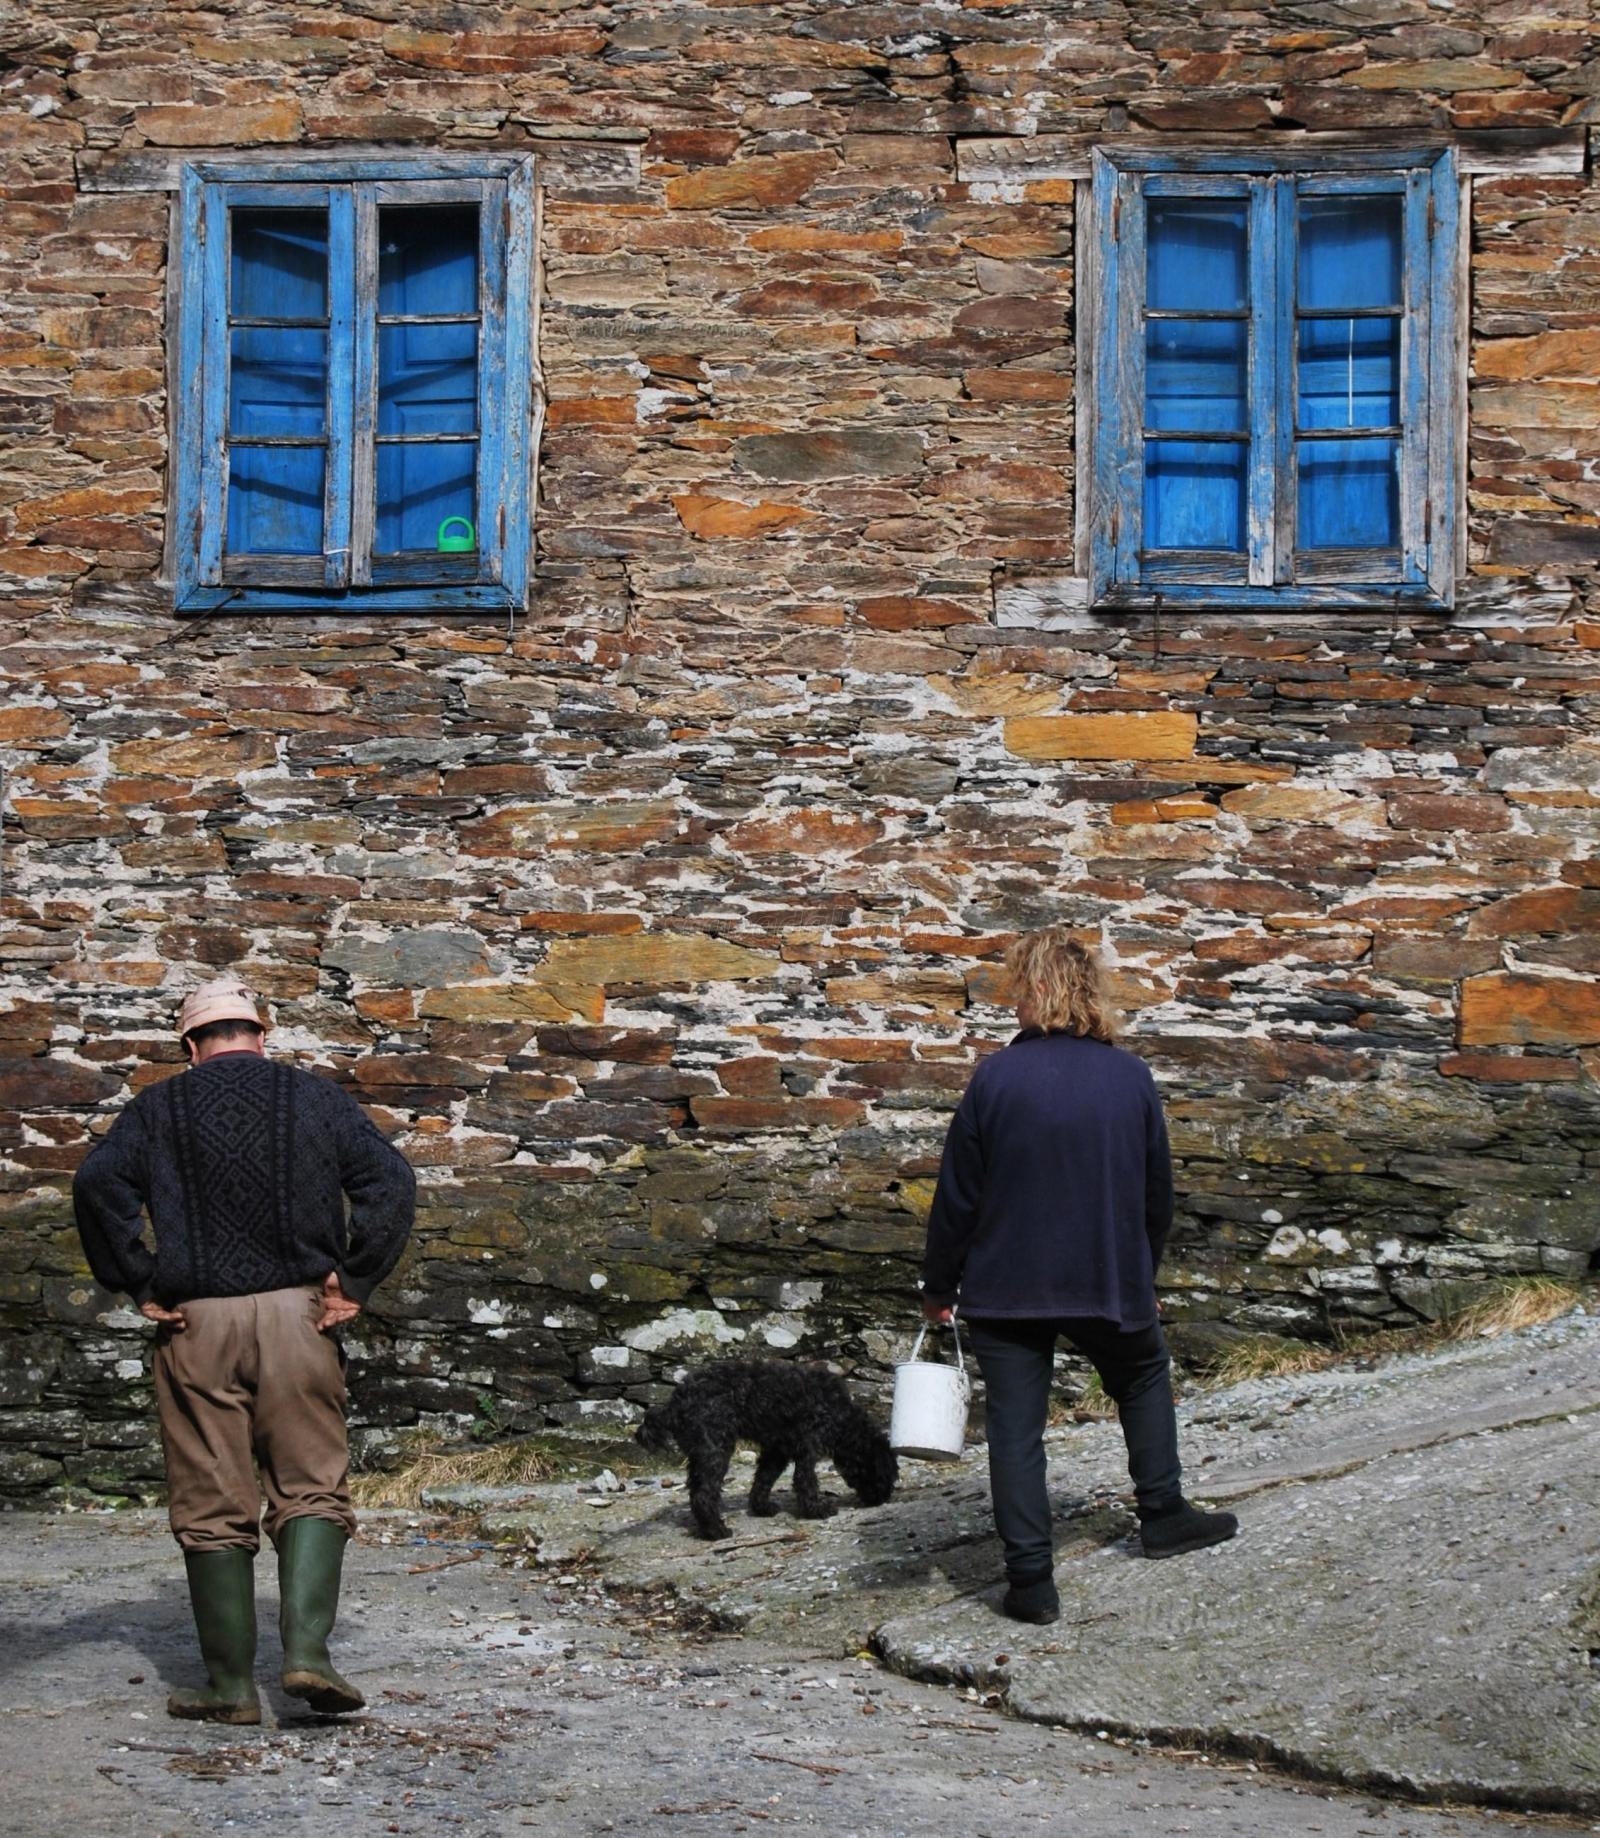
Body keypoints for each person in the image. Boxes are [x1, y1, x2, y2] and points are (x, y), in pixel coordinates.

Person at [72, 975, 416, 1723]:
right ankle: (306, 1658)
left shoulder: (156, 1109)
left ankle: (229, 1688)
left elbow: (98, 1184)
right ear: (261, 1034)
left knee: (210, 1499)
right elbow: (391, 1181)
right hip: (300, 1319)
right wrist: (353, 1280)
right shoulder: (315, 1099)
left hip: (197, 1325)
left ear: (190, 1045)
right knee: (312, 1485)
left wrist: (137, 1281)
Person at [919, 927, 1237, 1625]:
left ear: (1027, 992)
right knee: (1143, 1375)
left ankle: (1031, 1581)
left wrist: (938, 1289)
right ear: (1090, 990)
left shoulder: (996, 1077)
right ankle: (1162, 1512)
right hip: (1105, 1275)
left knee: (1015, 1429)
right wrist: (1142, 1274)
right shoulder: (1128, 1077)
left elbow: (958, 1198)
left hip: (1006, 1286)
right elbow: (1157, 1193)